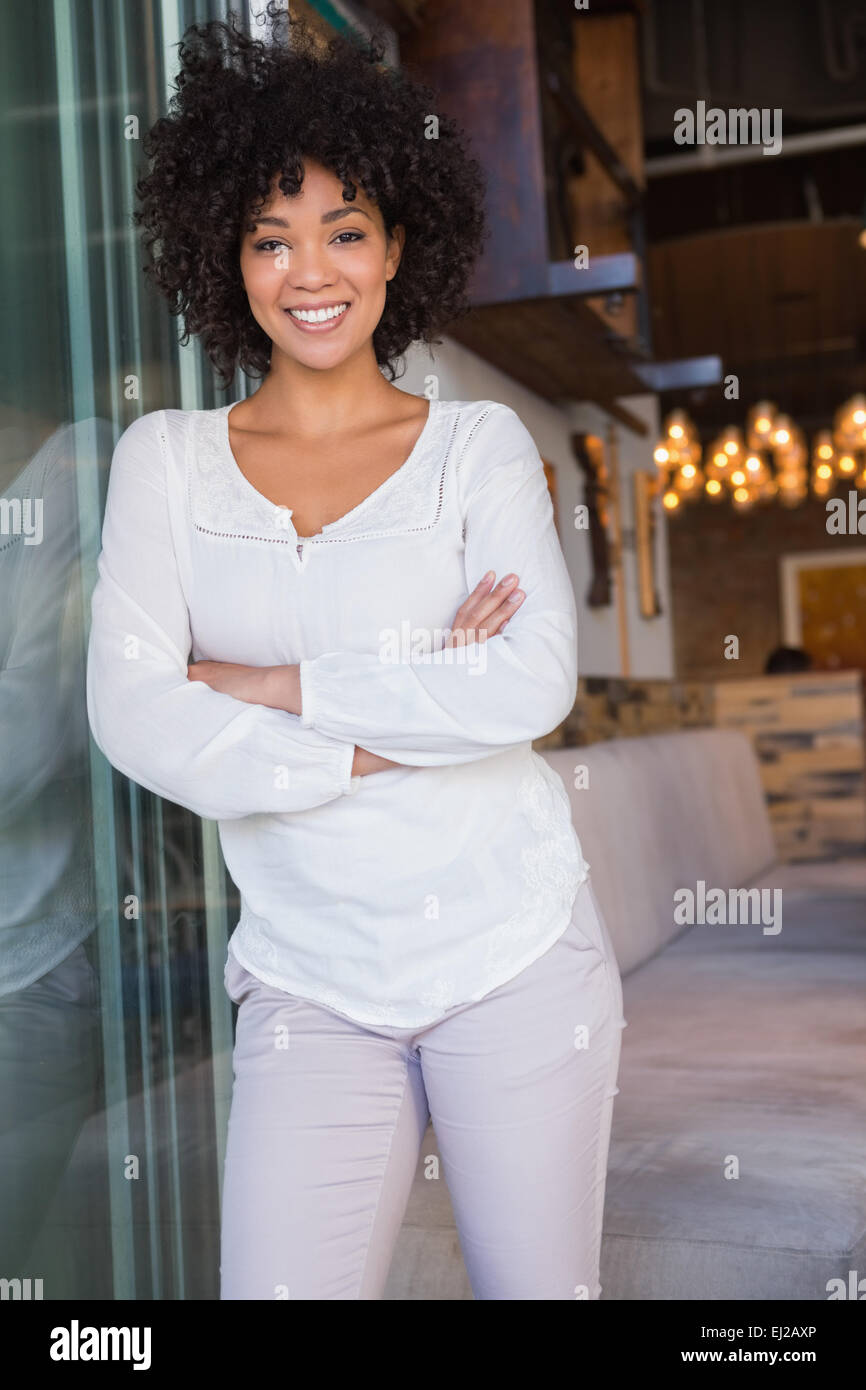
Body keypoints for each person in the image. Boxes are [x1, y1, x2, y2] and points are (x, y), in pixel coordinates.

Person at [85, 4, 625, 1300]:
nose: (307, 270)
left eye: (343, 230)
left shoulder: (473, 451)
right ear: (228, 253)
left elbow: (530, 681)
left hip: (512, 954)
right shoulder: (163, 462)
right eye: (271, 237)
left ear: (396, 249)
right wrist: (412, 718)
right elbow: (131, 713)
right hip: (308, 980)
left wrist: (271, 688)